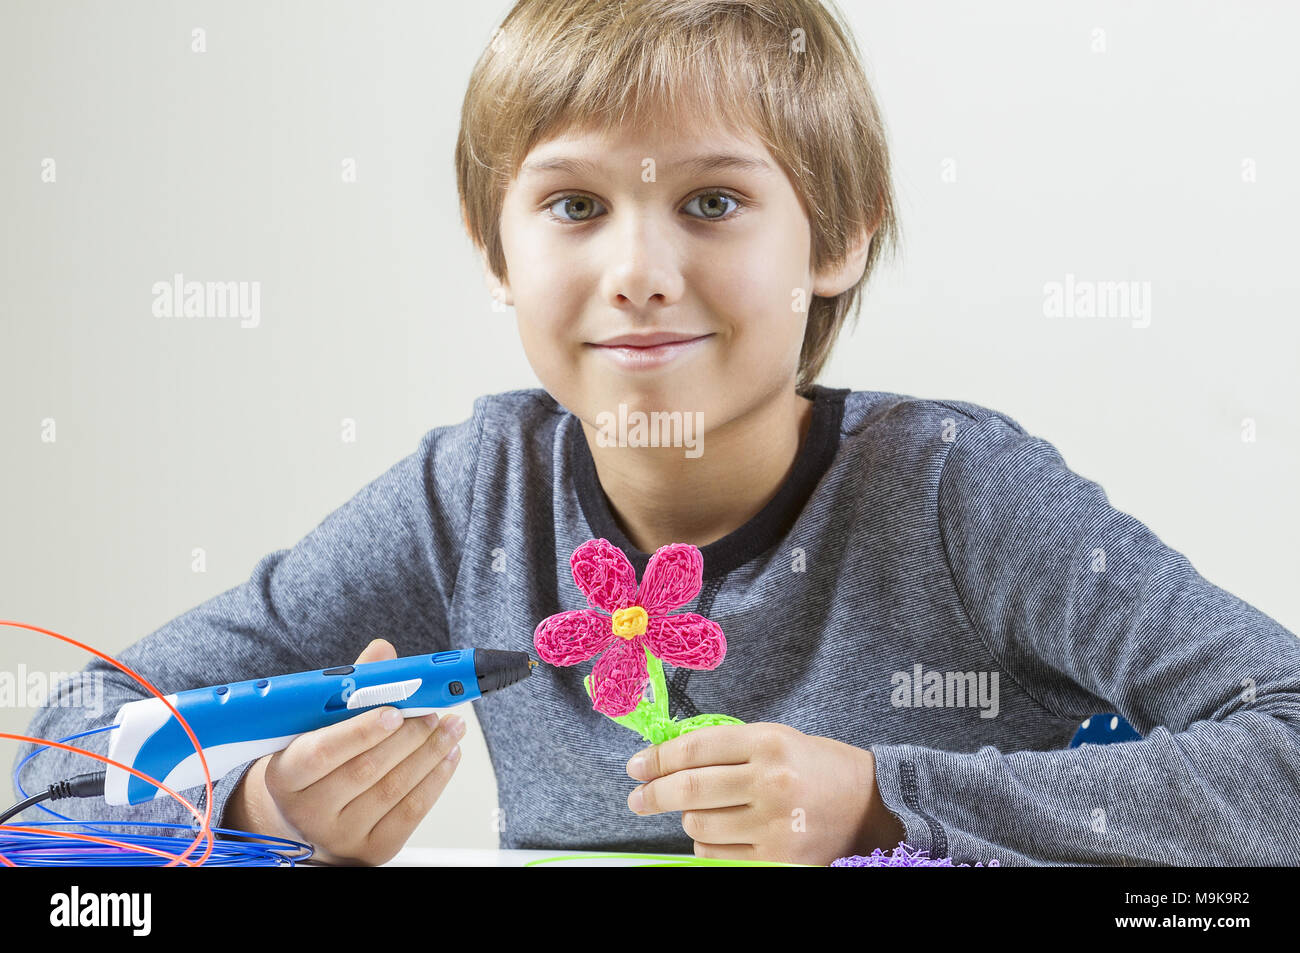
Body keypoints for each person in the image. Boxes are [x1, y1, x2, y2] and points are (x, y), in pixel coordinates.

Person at [15, 0, 1300, 866]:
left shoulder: (954, 490)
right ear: (497, 254)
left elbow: (1285, 742)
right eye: (574, 203)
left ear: (839, 238)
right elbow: (60, 739)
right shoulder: (473, 496)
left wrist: (878, 800)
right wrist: (256, 808)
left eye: (713, 199)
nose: (637, 269)